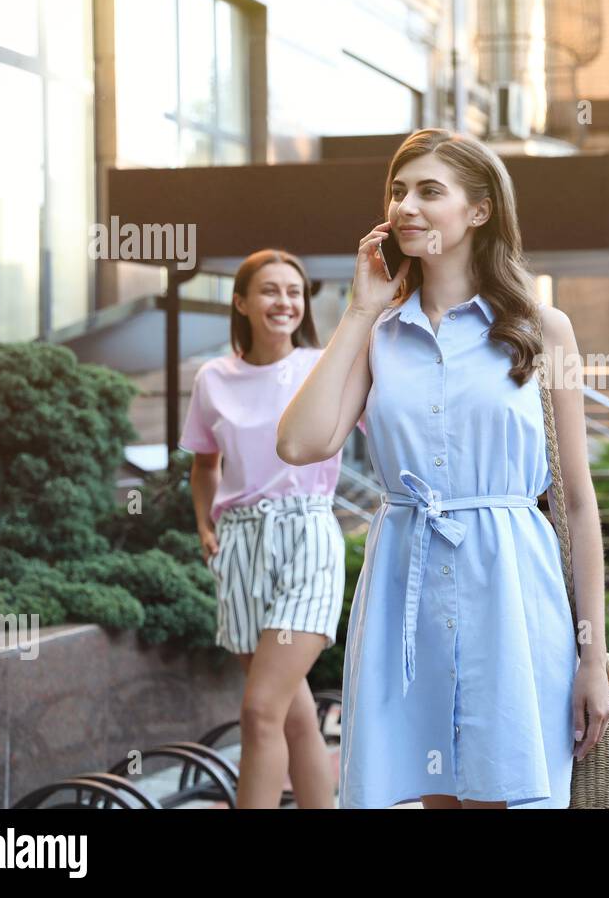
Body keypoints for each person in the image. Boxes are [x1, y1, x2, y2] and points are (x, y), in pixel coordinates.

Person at [277, 128, 609, 809]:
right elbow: (299, 443)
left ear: (479, 211)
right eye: (398, 191)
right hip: (410, 583)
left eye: (431, 191)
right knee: (436, 795)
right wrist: (361, 309)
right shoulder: (379, 332)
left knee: (505, 790)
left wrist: (592, 657)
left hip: (513, 589)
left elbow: (577, 500)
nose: (407, 206)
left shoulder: (547, 331)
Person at [182, 248, 352, 808]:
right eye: (270, 290)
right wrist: (206, 527)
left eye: (294, 292)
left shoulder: (321, 366)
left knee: (258, 712)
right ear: (241, 301)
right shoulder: (212, 378)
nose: (284, 302)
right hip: (240, 550)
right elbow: (204, 465)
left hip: (306, 539)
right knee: (293, 716)